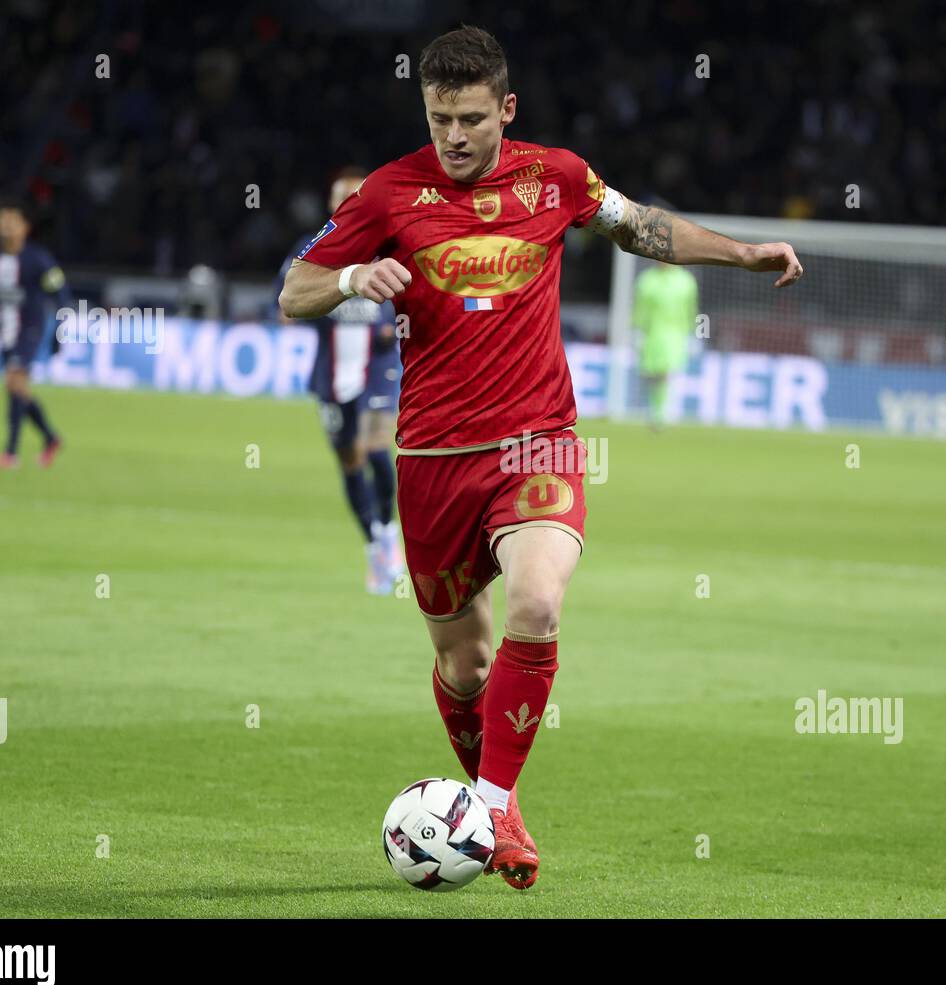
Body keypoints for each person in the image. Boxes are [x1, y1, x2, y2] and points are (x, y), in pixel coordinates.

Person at [279, 25, 803, 889]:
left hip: (538, 442)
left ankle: (486, 806)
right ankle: (499, 809)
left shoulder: (554, 176)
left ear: (506, 109)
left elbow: (639, 227)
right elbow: (292, 288)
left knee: (537, 603)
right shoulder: (385, 193)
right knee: (464, 663)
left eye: (471, 117)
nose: (453, 135)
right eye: (440, 116)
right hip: (434, 456)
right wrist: (348, 280)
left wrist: (741, 253)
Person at [277, 170, 404, 593]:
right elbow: (286, 305)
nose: (348, 203)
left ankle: (388, 531)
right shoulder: (310, 250)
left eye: (356, 195)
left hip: (379, 368)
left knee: (375, 448)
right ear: (332, 205)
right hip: (332, 371)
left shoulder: (392, 243)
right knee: (350, 460)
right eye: (341, 197)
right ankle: (372, 544)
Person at [0, 200, 70, 469]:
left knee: (14, 382)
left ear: (25, 228)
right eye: (1, 222)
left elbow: (61, 296)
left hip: (30, 328)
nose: (6, 228)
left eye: (12, 223)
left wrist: (59, 332)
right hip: (6, 330)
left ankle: (10, 453)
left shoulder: (38, 259)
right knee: (17, 388)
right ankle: (50, 437)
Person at [633, 261, 698, 430]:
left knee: (667, 372)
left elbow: (691, 310)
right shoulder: (647, 280)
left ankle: (664, 412)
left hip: (676, 334)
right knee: (653, 374)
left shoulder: (686, 281)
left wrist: (694, 333)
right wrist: (637, 330)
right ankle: (654, 410)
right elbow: (640, 309)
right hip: (652, 333)